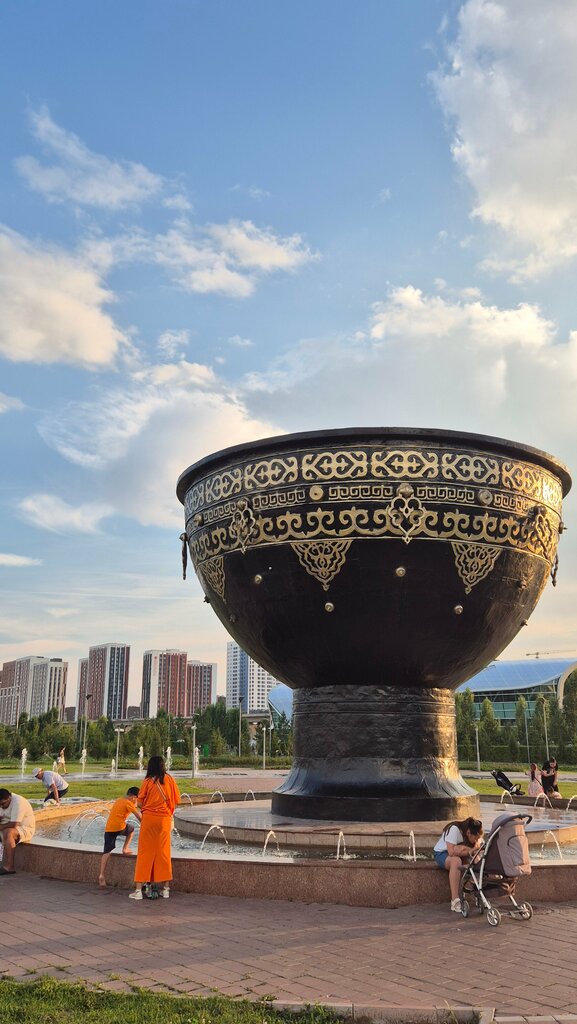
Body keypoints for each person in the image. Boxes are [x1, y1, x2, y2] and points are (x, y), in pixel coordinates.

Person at [129, 755, 180, 901]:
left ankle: (138, 891)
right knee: (164, 853)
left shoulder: (147, 781)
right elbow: (176, 800)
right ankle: (166, 889)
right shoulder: (169, 779)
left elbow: (139, 803)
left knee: (145, 853)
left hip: (149, 820)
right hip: (164, 820)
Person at [433, 816, 484, 912]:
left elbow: (477, 851)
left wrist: (467, 850)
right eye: (475, 838)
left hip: (460, 854)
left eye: (478, 839)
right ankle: (455, 900)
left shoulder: (475, 835)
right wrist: (470, 850)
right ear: (468, 833)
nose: (476, 841)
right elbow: (451, 852)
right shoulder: (454, 829)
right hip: (442, 853)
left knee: (477, 860)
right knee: (456, 861)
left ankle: (480, 895)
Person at [99, 787, 142, 887]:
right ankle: (125, 848)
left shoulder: (119, 800)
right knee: (131, 829)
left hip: (109, 828)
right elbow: (138, 816)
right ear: (134, 797)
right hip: (119, 827)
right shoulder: (129, 803)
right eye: (137, 798)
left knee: (106, 851)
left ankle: (101, 875)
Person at [0, 787, 36, 875]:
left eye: (3, 804)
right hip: (6, 826)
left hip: (24, 829)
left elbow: (14, 824)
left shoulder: (18, 802)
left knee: (8, 832)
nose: (1, 806)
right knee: (6, 830)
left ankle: (10, 867)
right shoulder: (3, 802)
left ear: (9, 798)